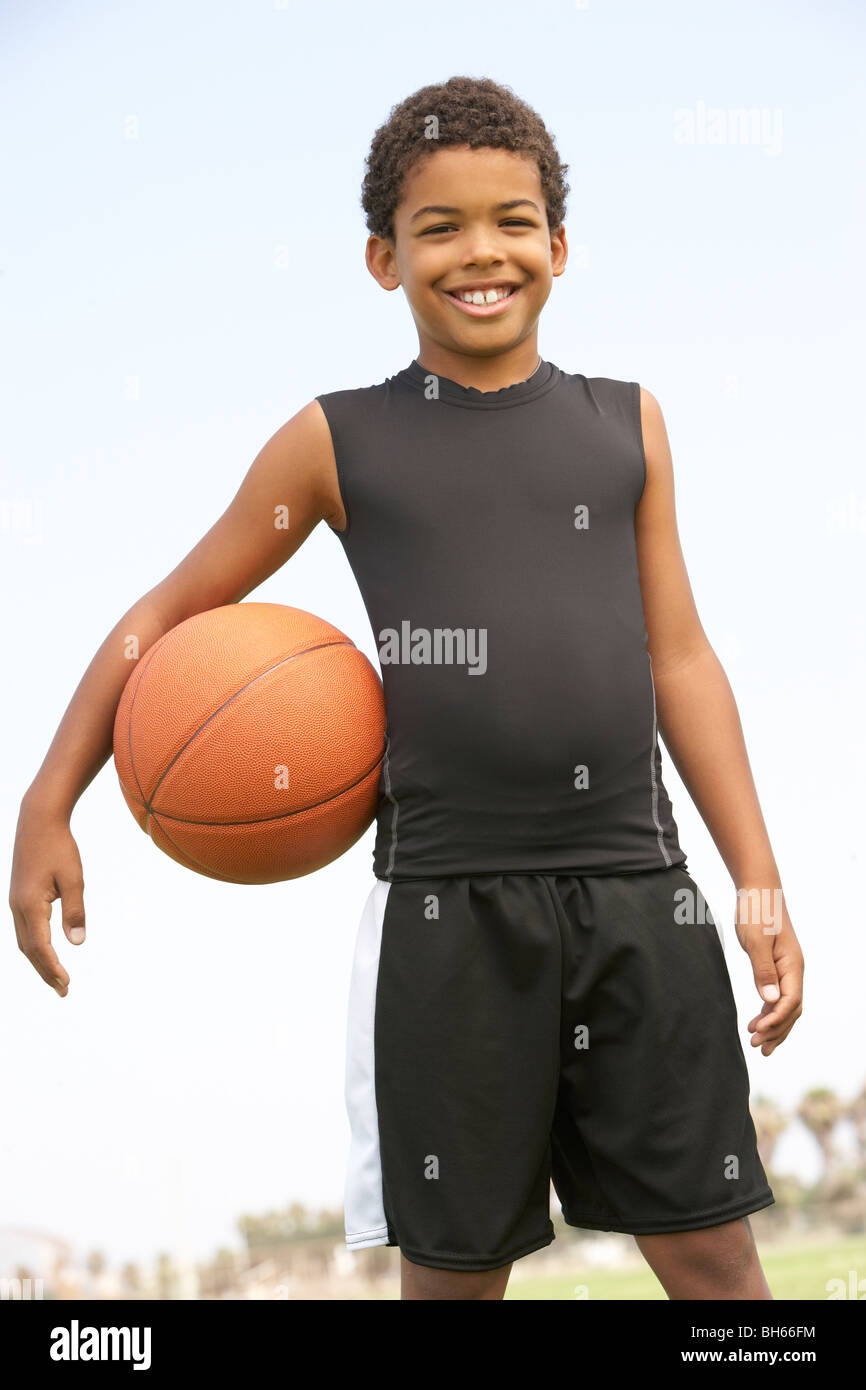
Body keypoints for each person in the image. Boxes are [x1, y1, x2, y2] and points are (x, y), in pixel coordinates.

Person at [9, 74, 804, 1302]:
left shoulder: (624, 426)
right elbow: (165, 615)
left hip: (639, 892)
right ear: (382, 258)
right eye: (439, 227)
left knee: (713, 1259)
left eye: (512, 220)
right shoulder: (338, 443)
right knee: (450, 1276)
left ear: (557, 245)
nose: (480, 251)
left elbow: (683, 659)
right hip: (445, 913)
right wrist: (51, 798)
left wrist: (754, 879)